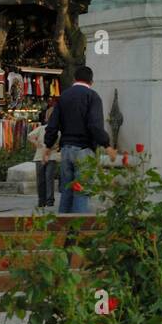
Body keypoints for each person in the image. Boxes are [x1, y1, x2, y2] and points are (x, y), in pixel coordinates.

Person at [43, 65, 117, 214]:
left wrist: (47, 146)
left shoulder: (63, 96)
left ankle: (62, 230)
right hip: (84, 150)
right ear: (91, 82)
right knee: (81, 192)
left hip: (66, 150)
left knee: (67, 192)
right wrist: (107, 145)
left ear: (74, 79)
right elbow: (94, 125)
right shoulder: (93, 97)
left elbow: (53, 124)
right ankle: (77, 234)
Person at [29, 105, 59, 209]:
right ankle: (46, 200)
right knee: (46, 179)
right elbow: (30, 136)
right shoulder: (45, 129)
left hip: (45, 157)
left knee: (44, 179)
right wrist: (37, 143)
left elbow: (30, 136)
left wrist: (37, 143)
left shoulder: (44, 129)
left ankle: (45, 200)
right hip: (46, 156)